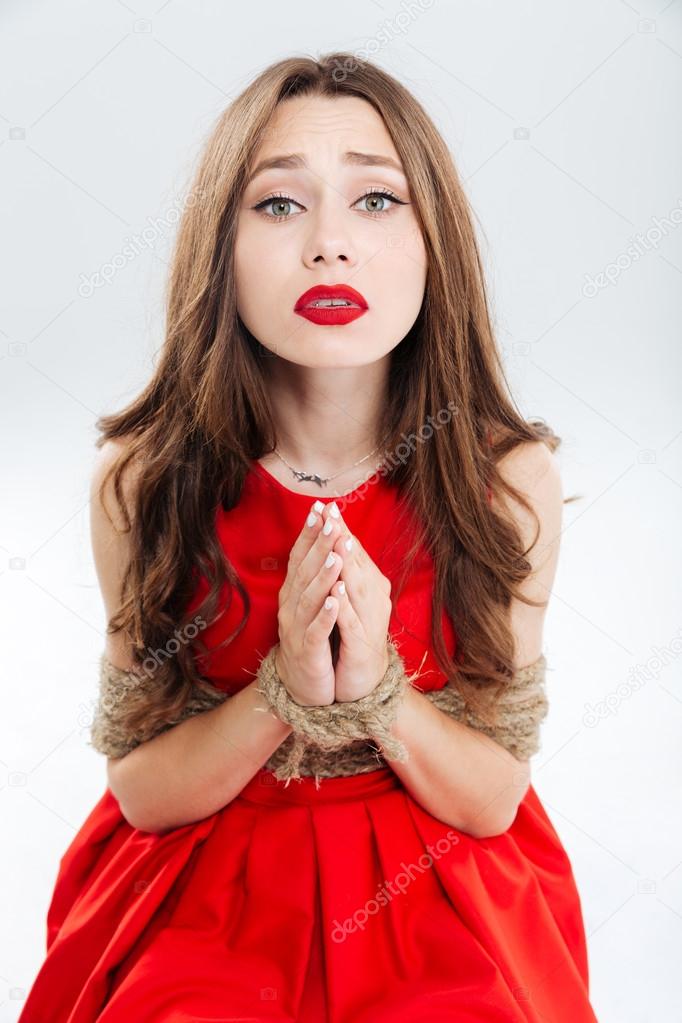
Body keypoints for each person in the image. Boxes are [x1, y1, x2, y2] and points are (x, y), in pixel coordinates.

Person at [18, 52, 599, 1022]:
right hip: (207, 893)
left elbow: (491, 797)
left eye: (376, 200)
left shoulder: (505, 483)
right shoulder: (143, 479)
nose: (330, 246)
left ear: (435, 241)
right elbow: (145, 791)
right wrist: (281, 690)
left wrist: (376, 696)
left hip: (436, 888)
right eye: (280, 204)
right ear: (221, 247)